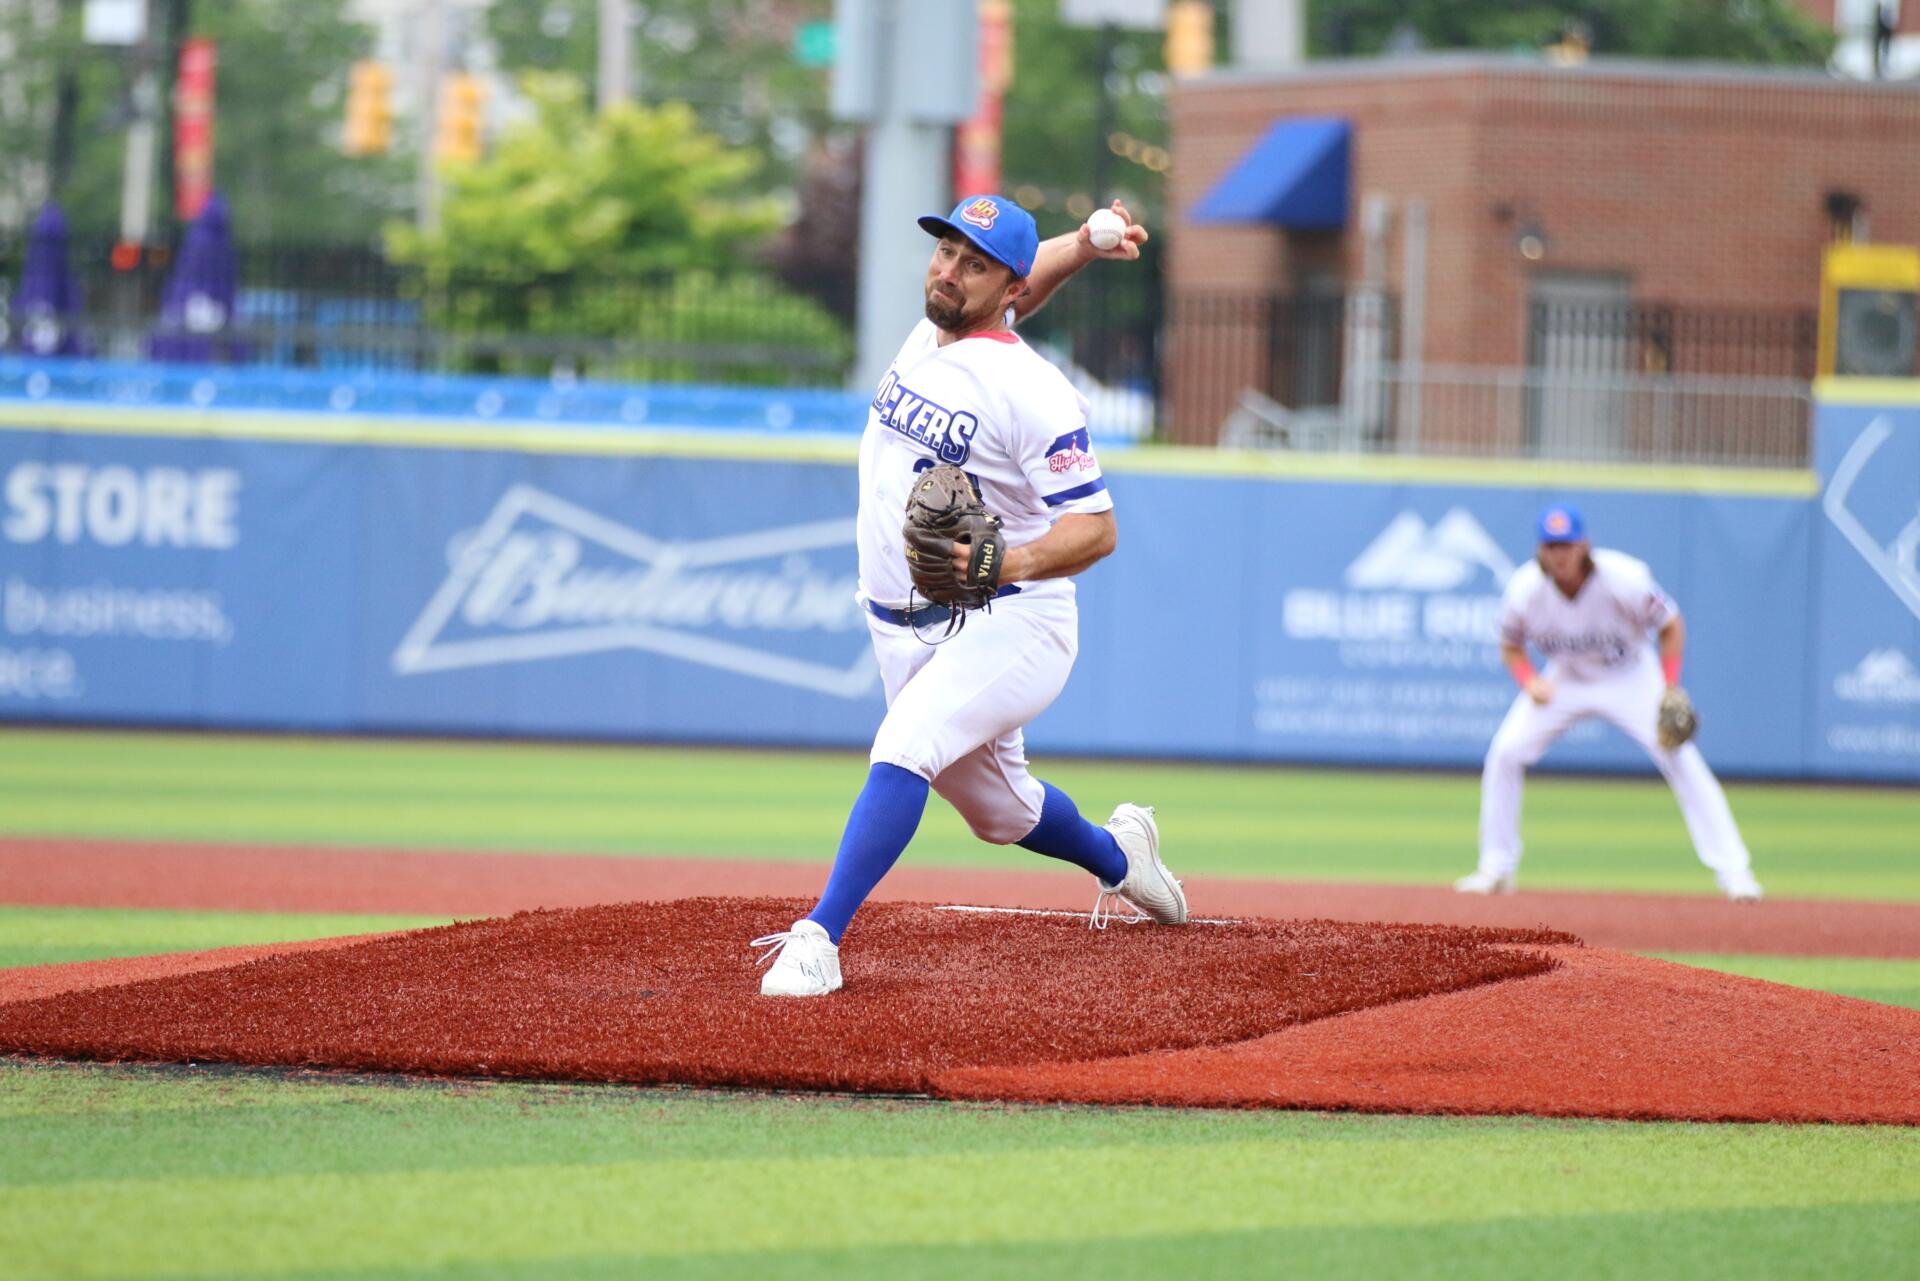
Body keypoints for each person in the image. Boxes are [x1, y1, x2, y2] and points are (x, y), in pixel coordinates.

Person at [751, 194, 1188, 997]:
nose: (949, 271)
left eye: (973, 263)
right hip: (904, 626)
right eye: (946, 249)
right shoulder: (931, 336)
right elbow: (1030, 275)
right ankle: (1126, 857)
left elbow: (1096, 529)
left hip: (1015, 618)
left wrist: (1005, 563)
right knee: (1002, 813)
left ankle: (818, 937)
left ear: (1007, 285)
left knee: (904, 744)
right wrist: (1087, 244)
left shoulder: (1036, 391)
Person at [1455, 505, 1764, 902]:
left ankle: (1735, 873)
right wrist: (1529, 680)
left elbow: (1670, 623)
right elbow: (1511, 644)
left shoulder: (1624, 577)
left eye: (1566, 544)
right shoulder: (1524, 589)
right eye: (1551, 546)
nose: (1559, 554)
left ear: (1584, 545)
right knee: (1505, 753)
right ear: (1540, 550)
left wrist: (1669, 686)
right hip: (1565, 679)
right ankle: (1495, 869)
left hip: (1631, 677)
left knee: (1681, 758)